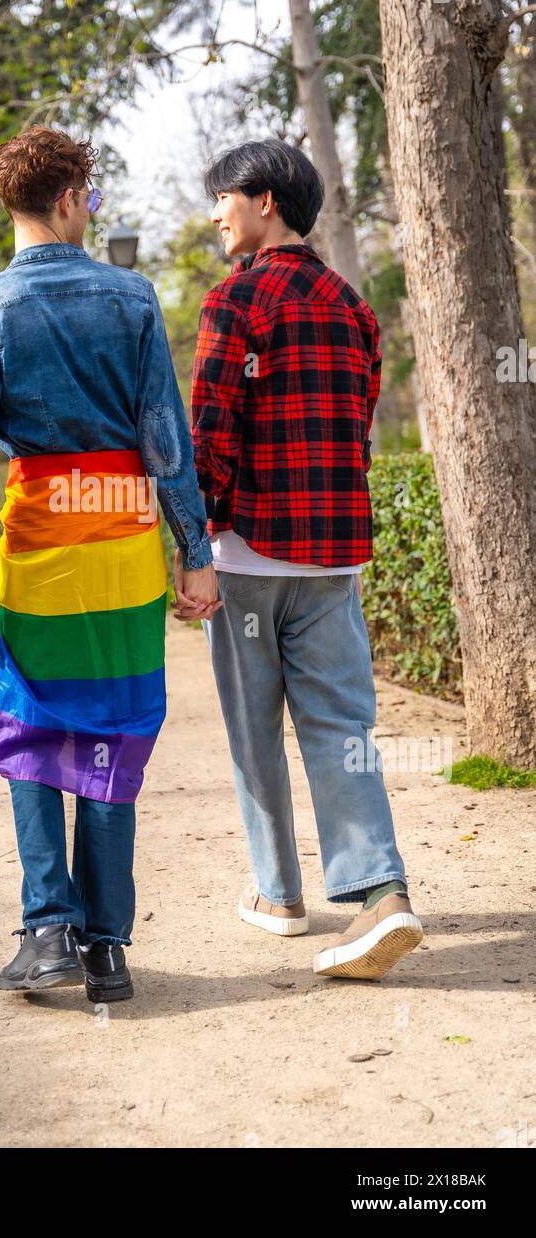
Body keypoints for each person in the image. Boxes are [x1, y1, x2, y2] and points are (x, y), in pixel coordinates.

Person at [0, 125, 219, 1002]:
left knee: (31, 735)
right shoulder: (132, 300)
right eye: (89, 198)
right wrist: (196, 552)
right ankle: (106, 949)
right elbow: (165, 440)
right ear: (69, 199)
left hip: (40, 552)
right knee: (112, 733)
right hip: (125, 550)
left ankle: (47, 927)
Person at [184, 137, 423, 980]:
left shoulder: (236, 302)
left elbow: (209, 436)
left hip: (248, 555)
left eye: (224, 198)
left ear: (264, 202)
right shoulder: (354, 307)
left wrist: (193, 549)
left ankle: (280, 895)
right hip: (332, 562)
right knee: (342, 732)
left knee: (256, 731)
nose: (216, 213)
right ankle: (381, 896)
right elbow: (354, 424)